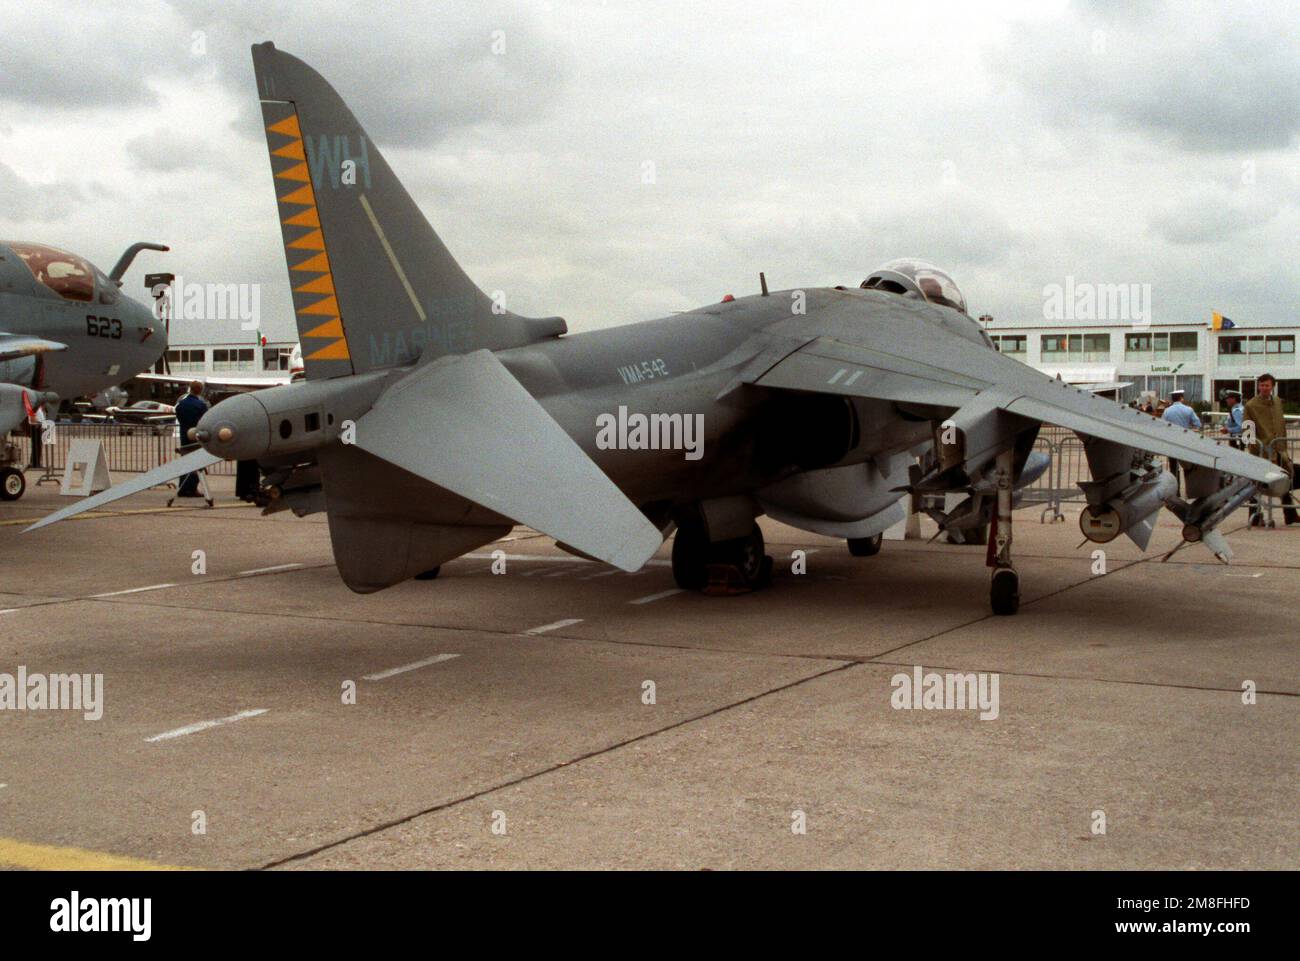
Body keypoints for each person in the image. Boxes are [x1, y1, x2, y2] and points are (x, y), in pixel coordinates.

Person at [1244, 373, 1298, 526]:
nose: (1264, 388)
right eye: (1261, 385)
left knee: (1285, 480)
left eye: (1267, 385)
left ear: (1272, 386)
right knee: (1257, 484)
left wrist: (1284, 446)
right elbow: (1247, 429)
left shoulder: (1277, 402)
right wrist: (1255, 447)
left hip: (1279, 449)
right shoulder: (1251, 405)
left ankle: (1290, 514)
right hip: (1261, 452)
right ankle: (1254, 514)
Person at [174, 381, 209, 498]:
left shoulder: (181, 404)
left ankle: (183, 487)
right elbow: (205, 420)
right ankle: (191, 488)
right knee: (196, 463)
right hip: (196, 436)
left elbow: (178, 416)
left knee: (185, 462)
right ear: (200, 390)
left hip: (184, 435)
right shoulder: (200, 405)